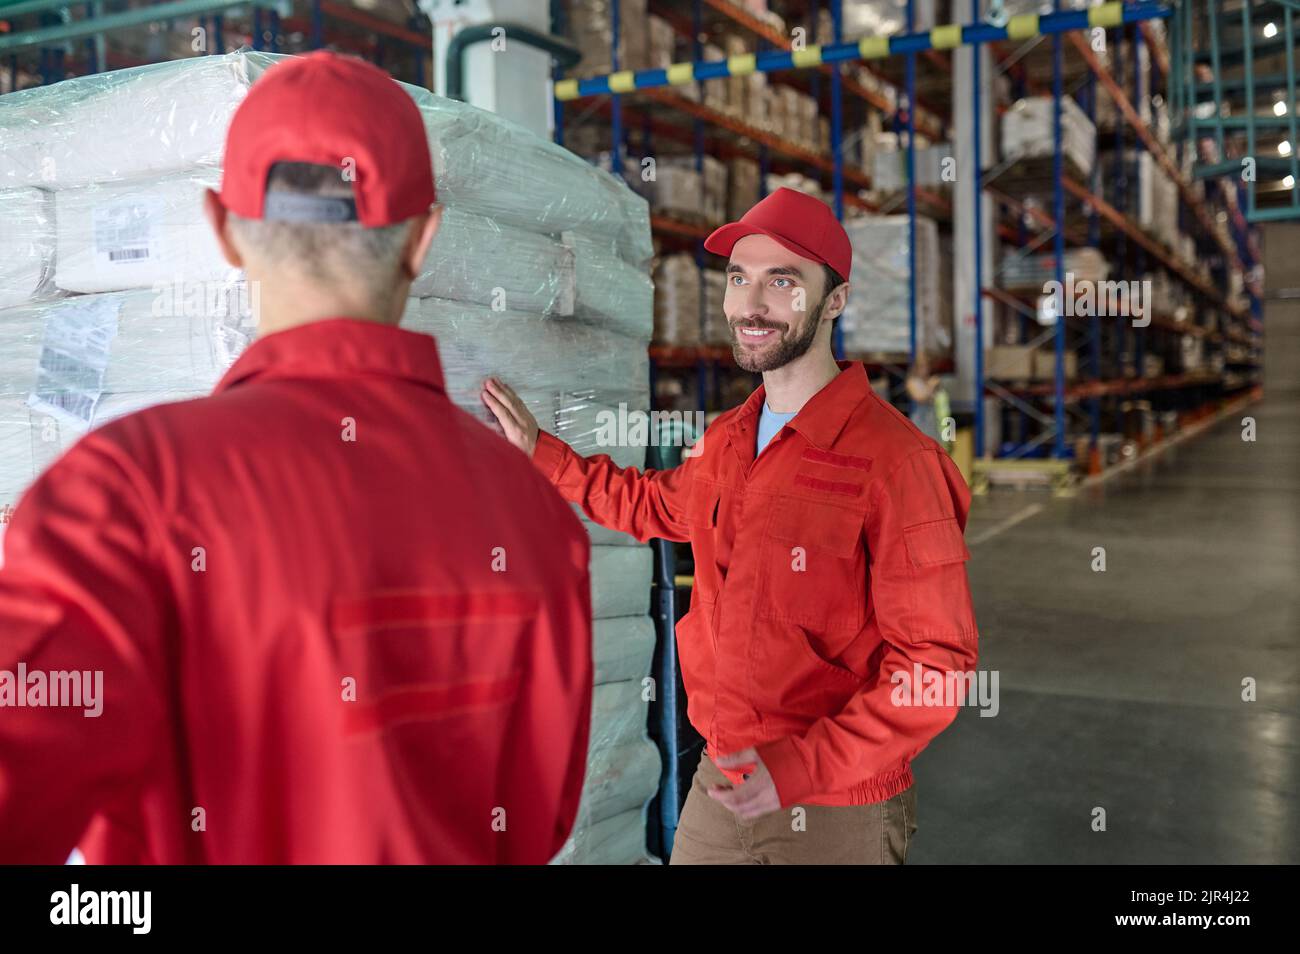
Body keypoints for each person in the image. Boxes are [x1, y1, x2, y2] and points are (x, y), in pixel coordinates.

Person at [0, 52, 593, 864]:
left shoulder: (120, 493)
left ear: (221, 228)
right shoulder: (532, 518)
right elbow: (539, 815)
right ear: (423, 239)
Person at [484, 187, 979, 864]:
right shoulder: (727, 441)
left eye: (782, 282)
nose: (750, 305)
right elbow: (654, 506)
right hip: (722, 782)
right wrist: (544, 456)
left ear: (834, 301)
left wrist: (799, 768)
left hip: (836, 808)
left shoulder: (898, 461)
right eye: (739, 279)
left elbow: (936, 668)